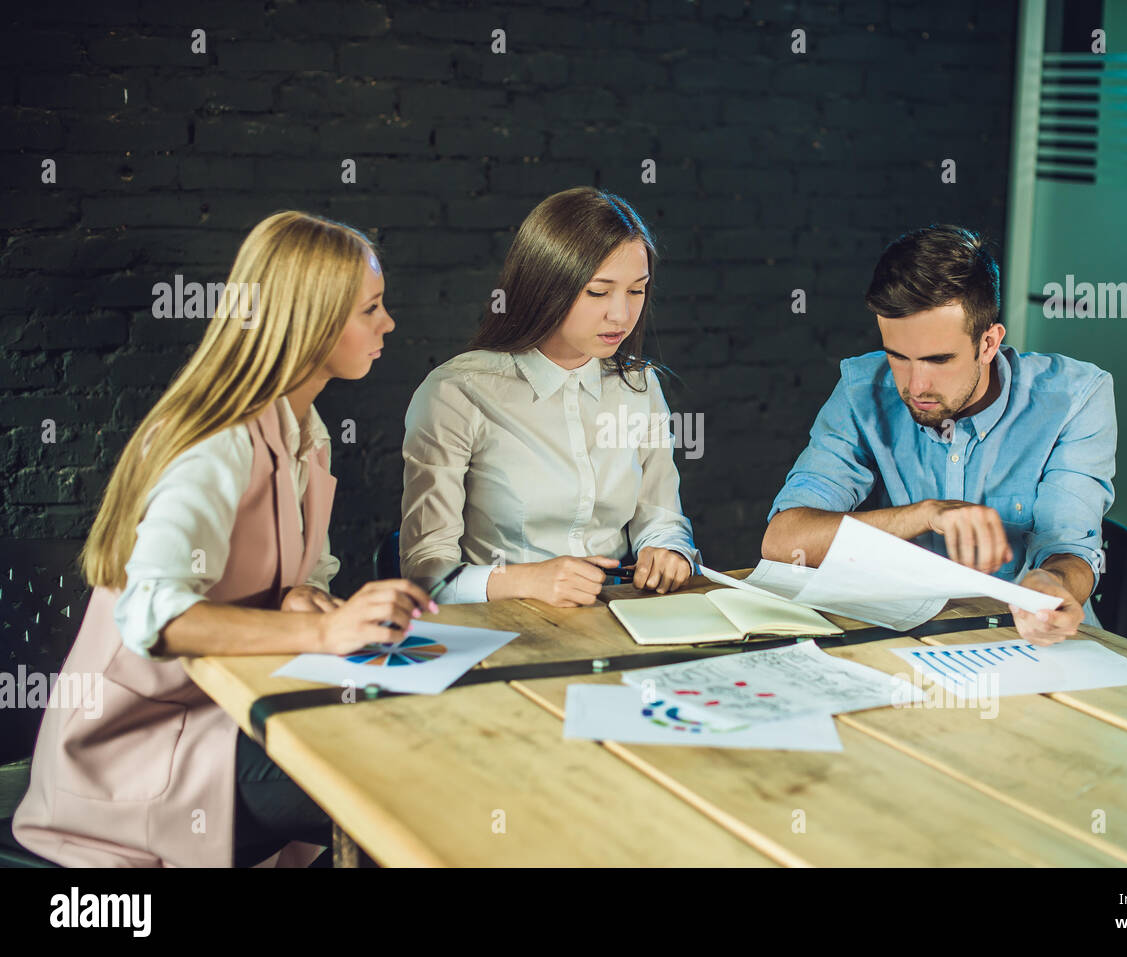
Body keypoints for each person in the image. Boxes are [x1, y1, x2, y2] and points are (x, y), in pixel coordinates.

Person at [14, 211, 435, 867]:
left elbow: (295, 571)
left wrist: (298, 595)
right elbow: (154, 616)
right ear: (309, 323)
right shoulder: (217, 443)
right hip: (146, 751)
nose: (389, 324)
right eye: (370, 309)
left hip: (227, 713)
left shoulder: (307, 433)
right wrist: (325, 630)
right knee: (405, 789)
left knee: (414, 747)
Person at [762, 224, 1116, 645]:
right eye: (898, 357)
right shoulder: (862, 389)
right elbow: (783, 541)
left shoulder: (1074, 399)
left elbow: (1071, 550)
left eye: (938, 360)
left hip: (1034, 646)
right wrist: (925, 514)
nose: (915, 386)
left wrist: (1052, 583)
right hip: (910, 644)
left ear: (988, 343)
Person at [401, 186, 700, 607]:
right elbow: (424, 575)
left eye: (637, 291)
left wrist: (668, 549)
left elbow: (662, 517)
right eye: (598, 292)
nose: (621, 314)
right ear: (547, 285)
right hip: (504, 623)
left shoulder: (639, 384)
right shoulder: (458, 392)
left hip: (616, 616)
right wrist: (523, 581)